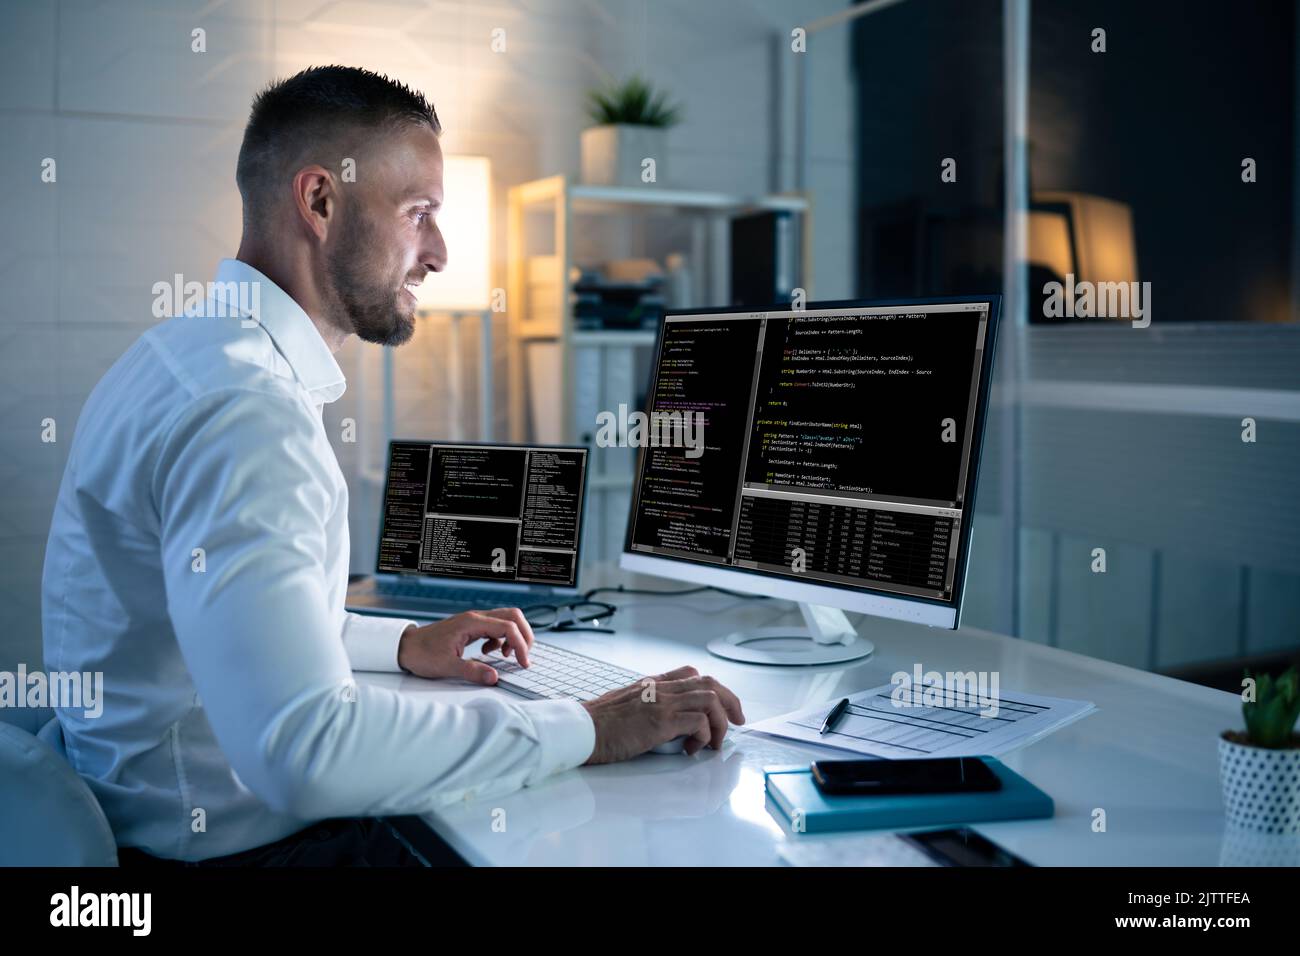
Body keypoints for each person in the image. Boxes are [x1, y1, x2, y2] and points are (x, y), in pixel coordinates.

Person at [41, 65, 744, 867]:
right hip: (223, 855)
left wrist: (409, 644)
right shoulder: (244, 411)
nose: (439, 253)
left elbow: (253, 634)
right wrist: (590, 727)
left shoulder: (184, 359)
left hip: (145, 821)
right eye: (419, 214)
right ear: (319, 201)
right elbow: (303, 752)